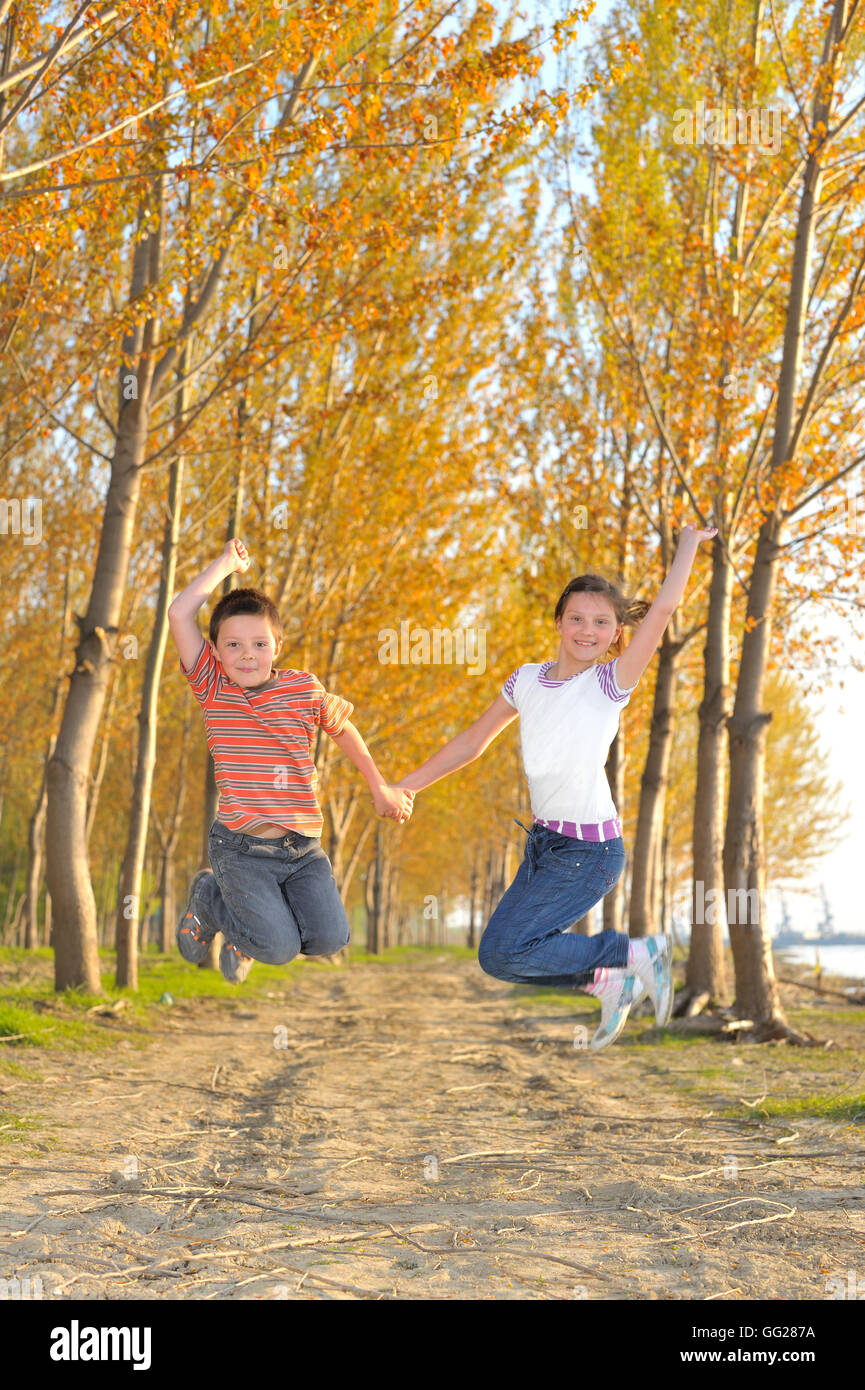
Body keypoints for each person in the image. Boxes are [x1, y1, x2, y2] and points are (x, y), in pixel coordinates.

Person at [395, 523, 718, 1050]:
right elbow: (472, 741)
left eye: (601, 623)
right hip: (547, 846)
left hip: (591, 852)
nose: (586, 631)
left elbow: (660, 612)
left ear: (617, 634)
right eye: (576, 619)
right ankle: (607, 979)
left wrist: (686, 546)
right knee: (499, 955)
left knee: (508, 949)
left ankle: (636, 953)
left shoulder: (609, 684)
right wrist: (407, 785)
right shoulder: (525, 680)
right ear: (560, 622)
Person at [167, 538, 413, 983]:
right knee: (279, 949)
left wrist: (379, 786)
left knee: (329, 939)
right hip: (240, 849)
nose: (247, 655)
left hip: (301, 848)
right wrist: (225, 564)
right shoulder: (214, 686)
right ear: (216, 651)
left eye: (259, 644)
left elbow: (345, 732)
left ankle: (248, 935)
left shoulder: (304, 689)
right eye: (234, 645)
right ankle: (211, 900)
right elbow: (179, 612)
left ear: (277, 645)